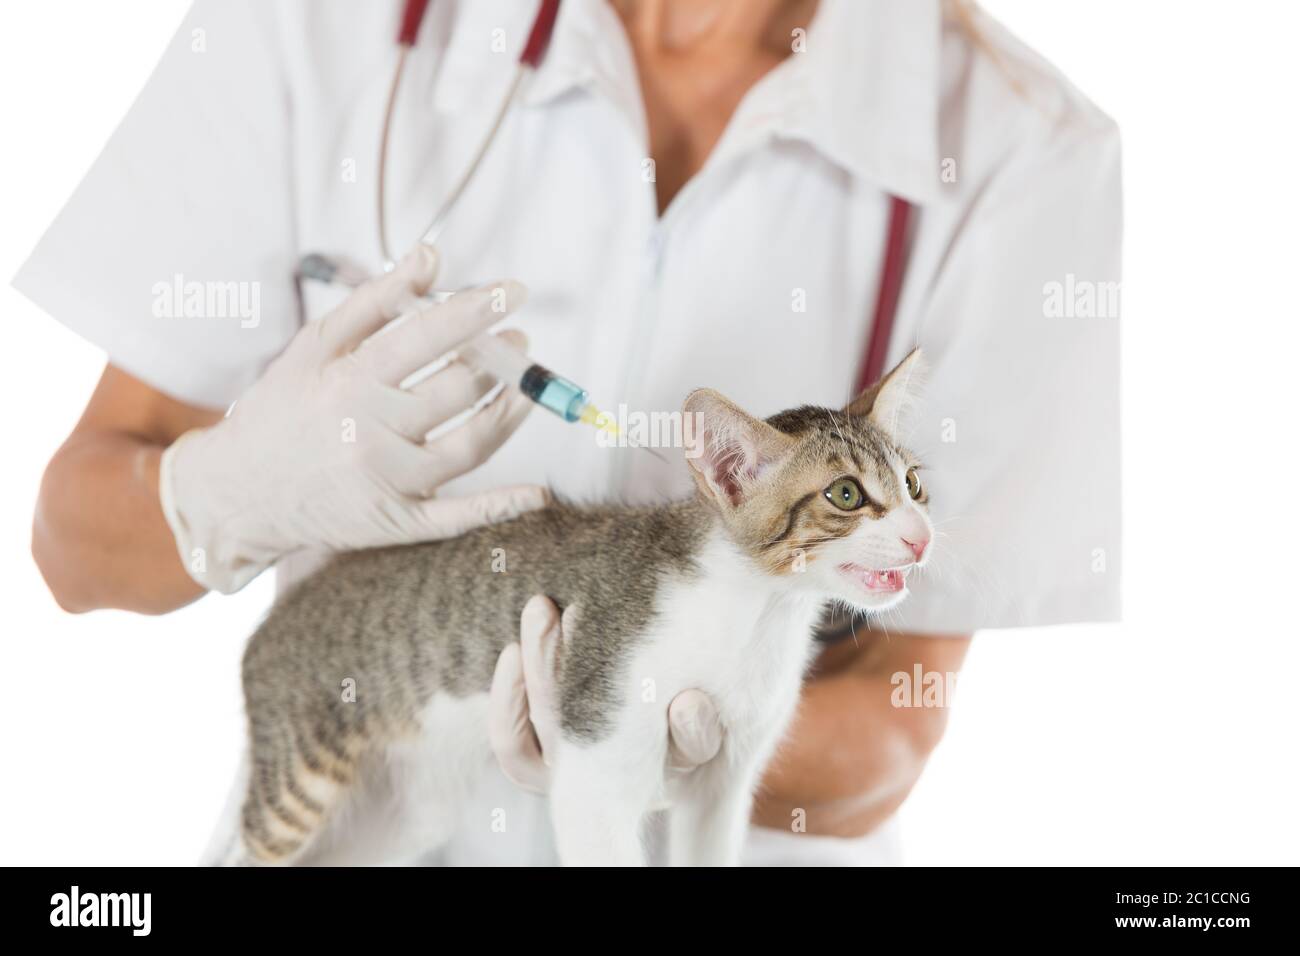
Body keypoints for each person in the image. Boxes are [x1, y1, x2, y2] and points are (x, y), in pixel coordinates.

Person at [16, 0, 1120, 865]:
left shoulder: (1028, 154)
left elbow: (898, 721)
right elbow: (72, 545)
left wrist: (694, 736)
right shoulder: (318, 19)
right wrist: (229, 493)